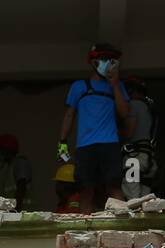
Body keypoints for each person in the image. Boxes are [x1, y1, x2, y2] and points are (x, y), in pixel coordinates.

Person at [58, 42, 132, 213]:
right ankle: (86, 232)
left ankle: (121, 230)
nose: (109, 63)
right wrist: (62, 142)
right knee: (85, 190)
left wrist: (114, 85)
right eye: (104, 59)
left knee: (114, 188)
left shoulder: (117, 86)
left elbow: (124, 112)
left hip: (110, 144)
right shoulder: (79, 86)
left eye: (111, 60)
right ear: (93, 62)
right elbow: (69, 114)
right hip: (85, 147)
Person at [121, 75, 157, 199]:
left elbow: (129, 132)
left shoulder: (133, 105)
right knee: (144, 200)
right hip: (148, 158)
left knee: (132, 198)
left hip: (134, 158)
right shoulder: (149, 108)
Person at [0, 133, 33, 211]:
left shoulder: (20, 163)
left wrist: (15, 210)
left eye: (0, 150)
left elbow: (21, 187)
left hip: (24, 213)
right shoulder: (9, 167)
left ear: (7, 150)